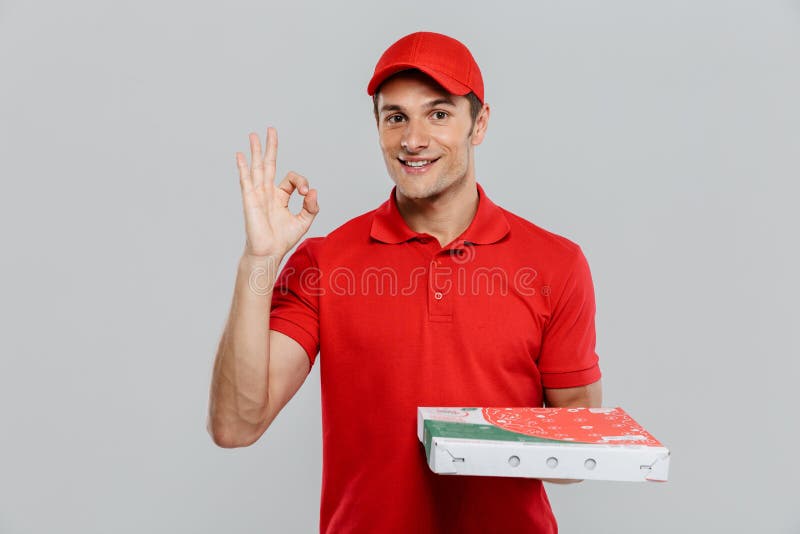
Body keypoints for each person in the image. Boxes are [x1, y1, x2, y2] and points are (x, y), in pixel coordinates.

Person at [207, 31, 602, 534]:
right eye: (396, 117)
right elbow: (236, 424)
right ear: (378, 127)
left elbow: (579, 450)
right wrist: (258, 260)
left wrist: (478, 437)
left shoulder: (556, 264)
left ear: (479, 124)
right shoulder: (324, 263)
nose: (413, 140)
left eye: (438, 114)